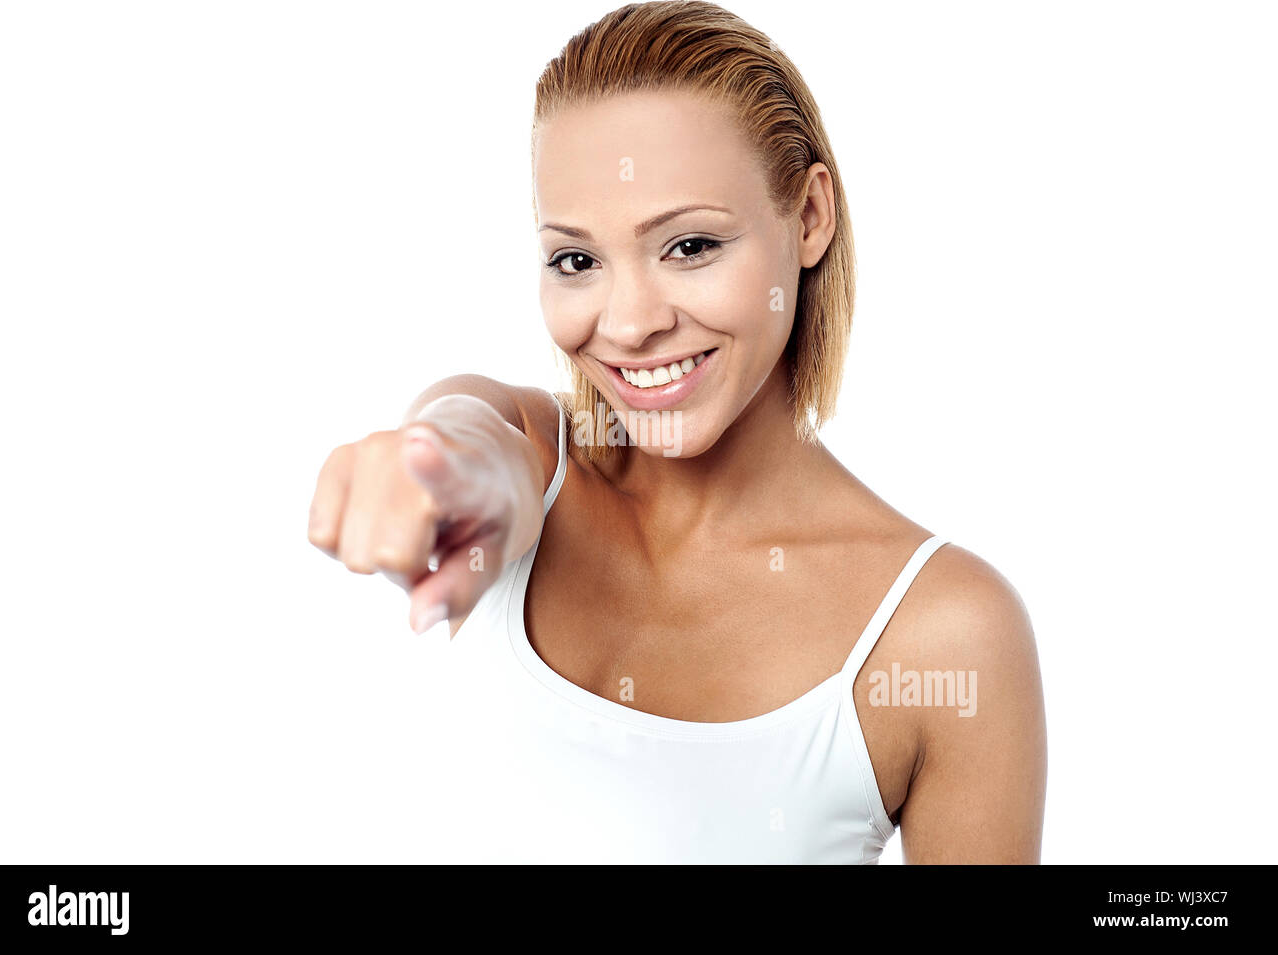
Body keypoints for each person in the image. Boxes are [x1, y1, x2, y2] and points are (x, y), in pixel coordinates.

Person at [307, 0, 1046, 864]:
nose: (628, 323)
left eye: (689, 246)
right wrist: (438, 467)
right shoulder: (532, 465)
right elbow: (468, 435)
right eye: (576, 260)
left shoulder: (943, 630)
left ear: (808, 217)